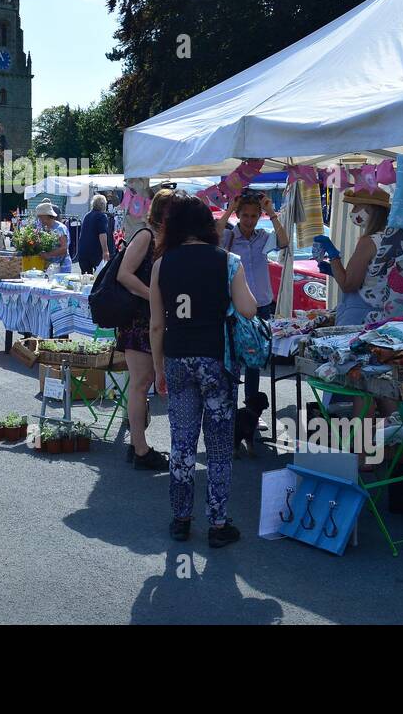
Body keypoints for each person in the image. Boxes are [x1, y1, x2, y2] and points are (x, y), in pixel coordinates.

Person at [149, 192, 260, 547]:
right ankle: (218, 522)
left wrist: (158, 369)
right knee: (218, 445)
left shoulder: (161, 264)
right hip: (216, 361)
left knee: (181, 442)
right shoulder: (228, 260)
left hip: (177, 358)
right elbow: (249, 309)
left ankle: (181, 518)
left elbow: (156, 325)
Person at [115, 187, 176, 471]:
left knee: (144, 383)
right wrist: (153, 295)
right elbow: (124, 274)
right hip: (139, 320)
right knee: (141, 384)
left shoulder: (164, 239)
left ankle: (137, 444)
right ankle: (140, 449)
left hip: (152, 319)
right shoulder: (145, 236)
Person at [216, 189, 289, 406]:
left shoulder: (263, 237)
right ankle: (228, 406)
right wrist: (230, 208)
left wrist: (271, 212)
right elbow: (214, 235)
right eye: (245, 215)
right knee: (232, 356)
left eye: (254, 216)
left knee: (254, 358)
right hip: (235, 305)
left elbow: (284, 241)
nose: (249, 220)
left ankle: (250, 407)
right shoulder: (229, 237)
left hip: (261, 304)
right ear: (239, 215)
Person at [316, 189, 401, 326]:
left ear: (370, 210)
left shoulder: (368, 241)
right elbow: (374, 278)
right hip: (383, 316)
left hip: (360, 317)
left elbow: (348, 285)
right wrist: (335, 271)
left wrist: (333, 255)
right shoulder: (392, 239)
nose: (353, 211)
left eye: (356, 206)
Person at [32, 201, 73, 273]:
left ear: (46, 216)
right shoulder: (43, 228)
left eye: (40, 217)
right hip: (50, 267)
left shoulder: (60, 228)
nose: (39, 219)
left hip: (62, 267)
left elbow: (64, 248)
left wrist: (48, 254)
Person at [77, 193, 112, 274]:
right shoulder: (102, 216)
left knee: (85, 277)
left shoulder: (87, 215)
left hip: (83, 251)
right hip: (95, 252)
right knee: (100, 276)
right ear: (103, 205)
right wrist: (105, 251)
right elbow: (102, 234)